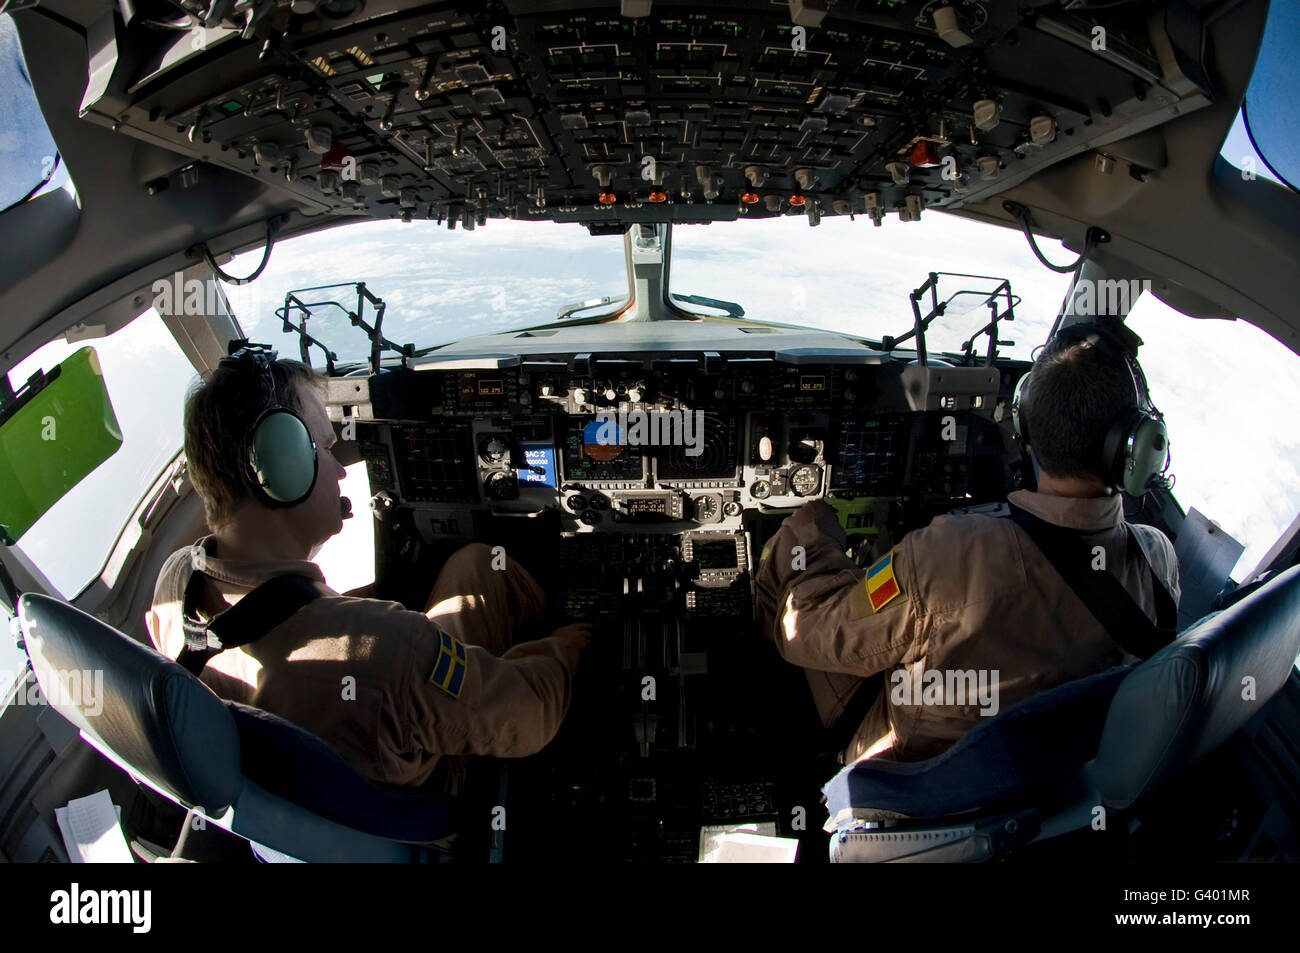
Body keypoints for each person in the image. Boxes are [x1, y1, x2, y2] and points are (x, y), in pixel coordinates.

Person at [146, 345, 591, 790]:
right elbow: (530, 718)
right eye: (322, 447)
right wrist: (573, 644)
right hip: (424, 793)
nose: (340, 469)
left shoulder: (175, 584)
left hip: (320, 779)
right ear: (280, 467)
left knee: (478, 567)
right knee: (560, 657)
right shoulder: (381, 648)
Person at [754, 323, 1180, 765]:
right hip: (1053, 778)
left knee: (794, 570)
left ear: (1025, 430)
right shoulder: (1158, 560)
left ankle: (759, 710)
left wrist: (813, 537)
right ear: (1136, 448)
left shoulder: (949, 556)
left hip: (913, 772)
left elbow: (816, 633)